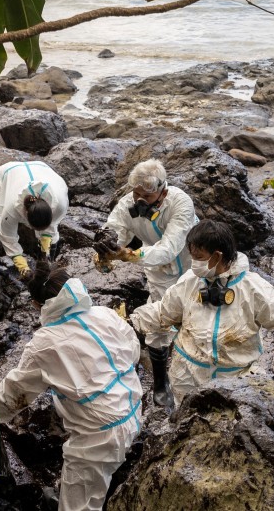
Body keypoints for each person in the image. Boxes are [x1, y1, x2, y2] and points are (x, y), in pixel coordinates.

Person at [130, 220, 274, 406]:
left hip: (235, 380)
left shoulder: (253, 289)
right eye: (192, 256)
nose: (194, 263)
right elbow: (163, 312)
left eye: (199, 257)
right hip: (186, 374)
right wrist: (130, 322)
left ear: (217, 256)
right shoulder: (190, 282)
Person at [0, 260, 142, 511]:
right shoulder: (104, 314)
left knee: (79, 505)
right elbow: (134, 351)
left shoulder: (45, 343)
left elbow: (13, 395)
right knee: (104, 470)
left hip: (99, 435)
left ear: (37, 305)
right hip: (132, 409)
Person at [94, 159, 197, 409]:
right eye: (136, 193)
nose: (139, 199)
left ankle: (195, 372)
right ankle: (161, 382)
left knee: (196, 320)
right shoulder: (128, 203)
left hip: (194, 268)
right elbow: (115, 228)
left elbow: (169, 249)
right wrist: (106, 250)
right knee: (159, 323)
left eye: (146, 195)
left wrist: (129, 255)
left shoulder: (180, 203)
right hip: (159, 273)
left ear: (163, 190)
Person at [0, 161, 69, 279]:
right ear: (26, 214)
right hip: (8, 174)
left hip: (41, 169)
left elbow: (51, 226)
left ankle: (46, 258)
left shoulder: (59, 203)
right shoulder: (11, 207)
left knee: (49, 247)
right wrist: (23, 267)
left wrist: (45, 253)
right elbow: (7, 236)